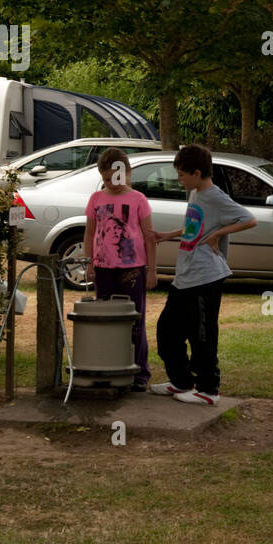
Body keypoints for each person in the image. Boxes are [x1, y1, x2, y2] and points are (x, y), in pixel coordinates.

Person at [151, 144, 257, 405]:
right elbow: (193, 227)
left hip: (205, 278)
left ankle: (209, 390)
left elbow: (249, 219)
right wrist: (167, 236)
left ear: (197, 172)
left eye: (182, 174)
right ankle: (182, 382)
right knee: (167, 331)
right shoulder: (196, 193)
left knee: (202, 335)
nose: (179, 179)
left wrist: (219, 234)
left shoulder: (214, 195)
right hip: (185, 276)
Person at [82, 147, 157, 391]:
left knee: (135, 320)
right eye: (105, 179)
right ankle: (109, 368)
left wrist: (152, 270)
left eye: (115, 177)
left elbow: (148, 236)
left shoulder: (138, 199)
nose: (111, 183)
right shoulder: (96, 200)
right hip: (104, 269)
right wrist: (89, 263)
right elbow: (90, 232)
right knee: (105, 320)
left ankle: (139, 373)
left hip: (133, 269)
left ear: (126, 173)